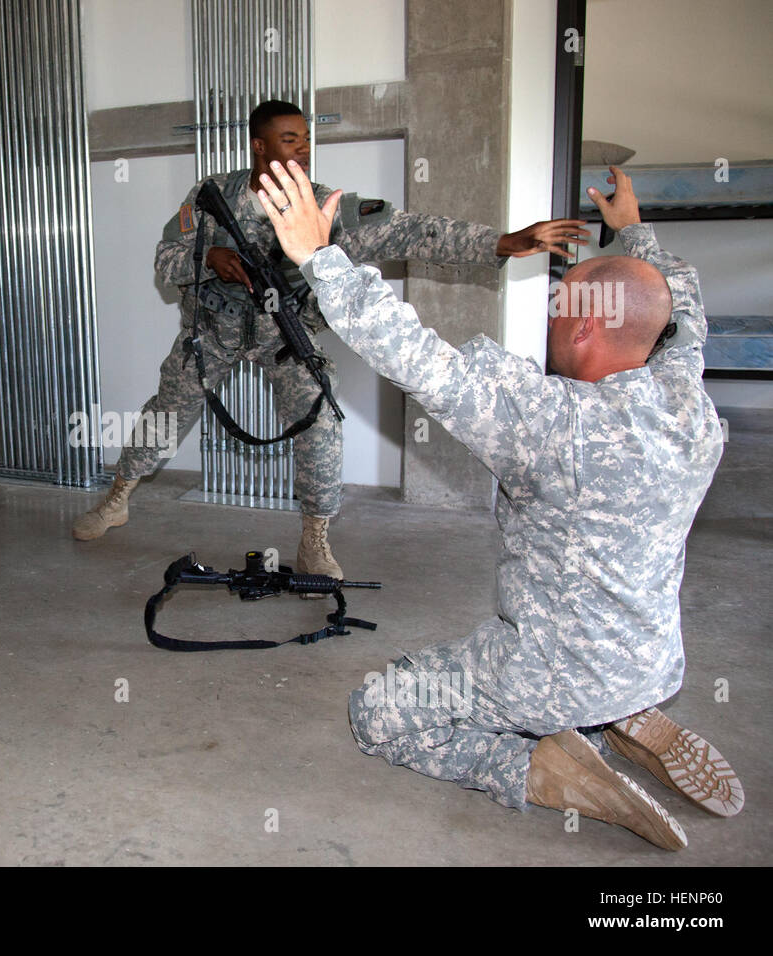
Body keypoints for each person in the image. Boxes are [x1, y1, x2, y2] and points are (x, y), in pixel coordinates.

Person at [254, 157, 744, 848]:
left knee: (381, 710)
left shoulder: (553, 425)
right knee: (600, 673)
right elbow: (682, 306)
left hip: (551, 671)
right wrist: (634, 235)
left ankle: (540, 767)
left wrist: (317, 256)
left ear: (581, 329)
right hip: (655, 658)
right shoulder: (687, 397)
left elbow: (417, 357)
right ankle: (626, 713)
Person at [72, 100, 587, 585]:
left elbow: (408, 232)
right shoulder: (212, 196)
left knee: (320, 421)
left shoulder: (325, 207)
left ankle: (314, 537)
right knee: (166, 411)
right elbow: (165, 260)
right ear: (258, 146)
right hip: (213, 331)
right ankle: (117, 498)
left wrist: (500, 242)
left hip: (286, 336)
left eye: (305, 140)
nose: (301, 148)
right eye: (289, 139)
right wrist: (208, 262)